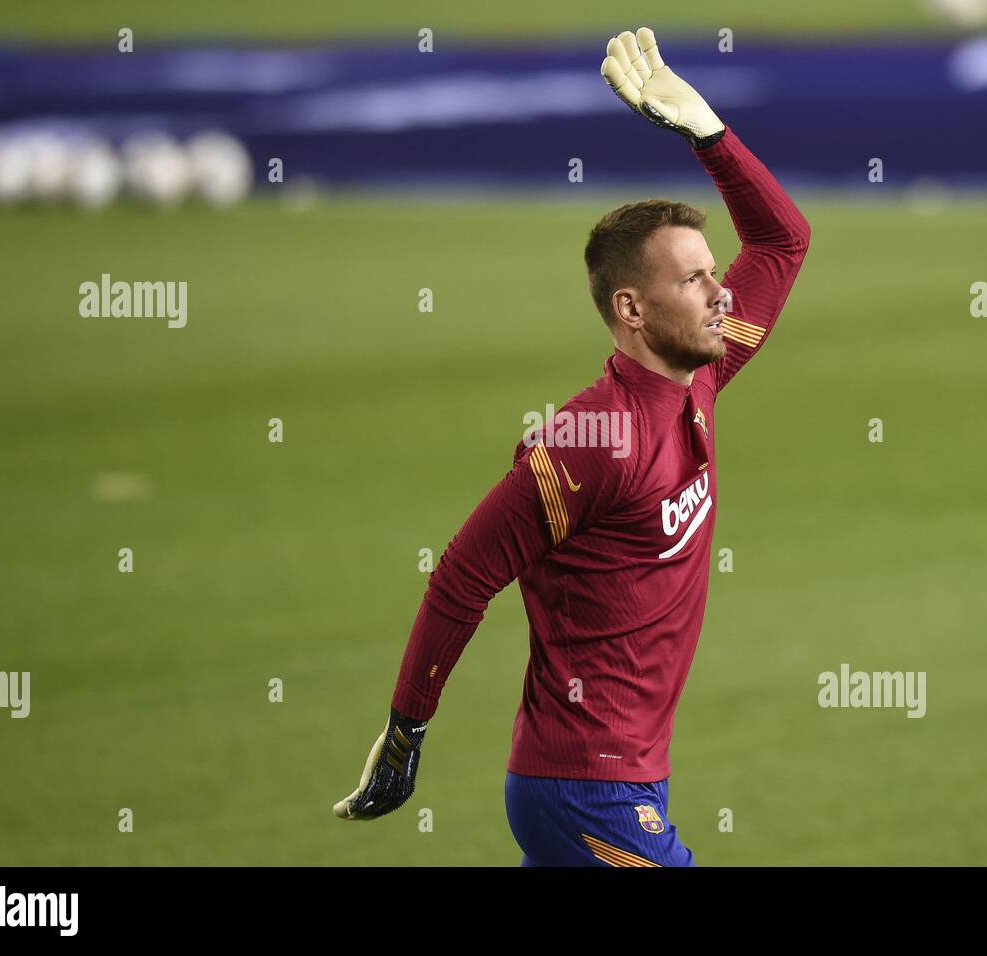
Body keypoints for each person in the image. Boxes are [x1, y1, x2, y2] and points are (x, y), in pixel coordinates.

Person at [334, 27, 811, 867]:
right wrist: (405, 735)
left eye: (712, 271)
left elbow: (781, 242)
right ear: (632, 310)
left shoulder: (699, 376)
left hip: (628, 780)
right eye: (693, 278)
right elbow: (464, 572)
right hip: (582, 790)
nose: (719, 288)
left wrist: (709, 136)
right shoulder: (590, 441)